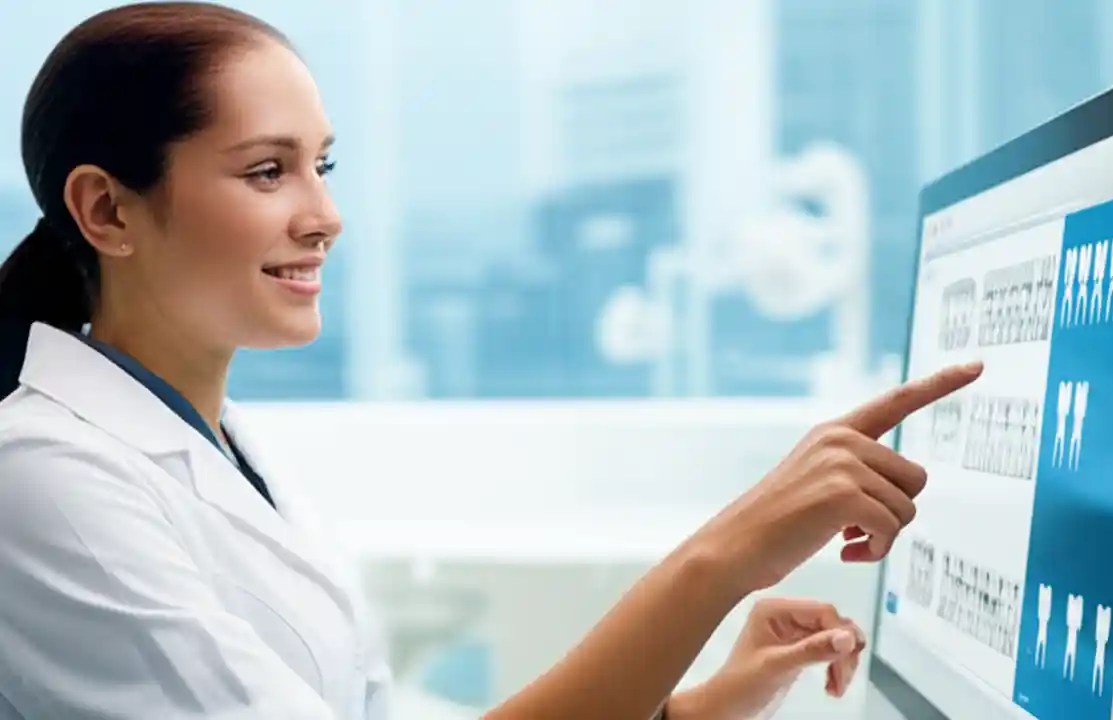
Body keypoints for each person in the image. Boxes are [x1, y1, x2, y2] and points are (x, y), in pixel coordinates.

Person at [0, 3, 982, 719]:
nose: (324, 215)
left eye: (321, 165)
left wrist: (705, 703)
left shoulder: (219, 447)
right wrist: (720, 561)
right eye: (266, 171)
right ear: (107, 210)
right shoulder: (42, 479)